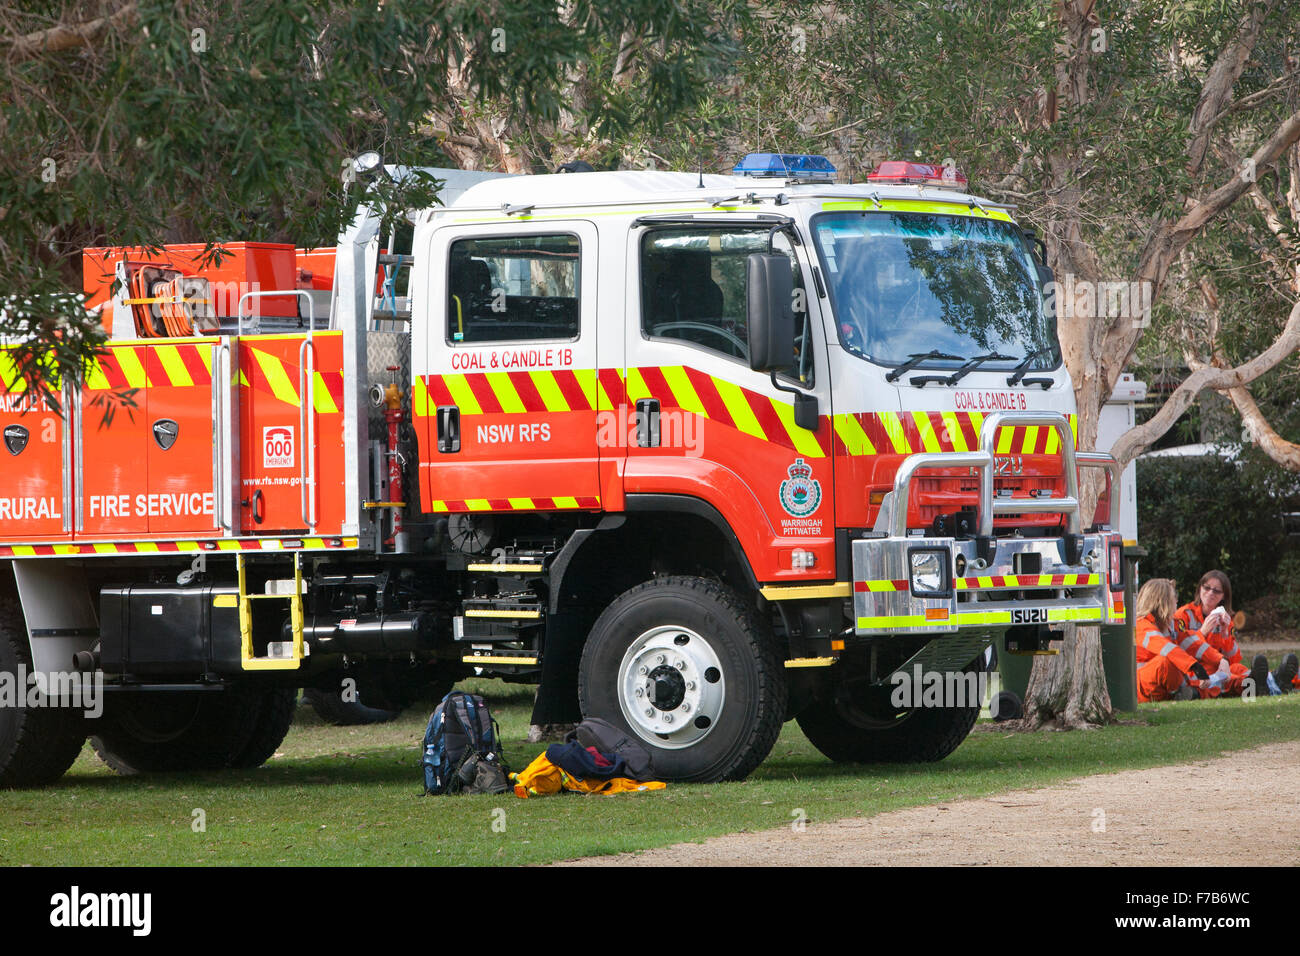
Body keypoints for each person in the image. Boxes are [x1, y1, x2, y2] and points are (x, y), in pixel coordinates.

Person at [1173, 570, 1291, 695]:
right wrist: (1202, 632)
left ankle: (1272, 681)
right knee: (1230, 678)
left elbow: (1233, 658)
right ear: (1199, 588)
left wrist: (1225, 635)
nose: (1210, 593)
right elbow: (1180, 650)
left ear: (1224, 595)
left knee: (1238, 669)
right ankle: (1266, 682)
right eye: (1206, 588)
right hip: (1196, 669)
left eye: (1216, 591)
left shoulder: (1225, 618)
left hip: (1220, 666)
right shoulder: (1184, 614)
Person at [1134, 578, 1216, 702]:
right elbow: (1167, 649)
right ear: (1163, 601)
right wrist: (1195, 666)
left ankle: (1197, 692)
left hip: (1162, 686)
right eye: (1174, 597)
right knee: (1169, 661)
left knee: (1205, 668)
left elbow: (1193, 644)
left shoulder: (1170, 625)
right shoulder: (1141, 625)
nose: (1176, 601)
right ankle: (1188, 692)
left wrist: (1220, 661)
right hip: (1143, 687)